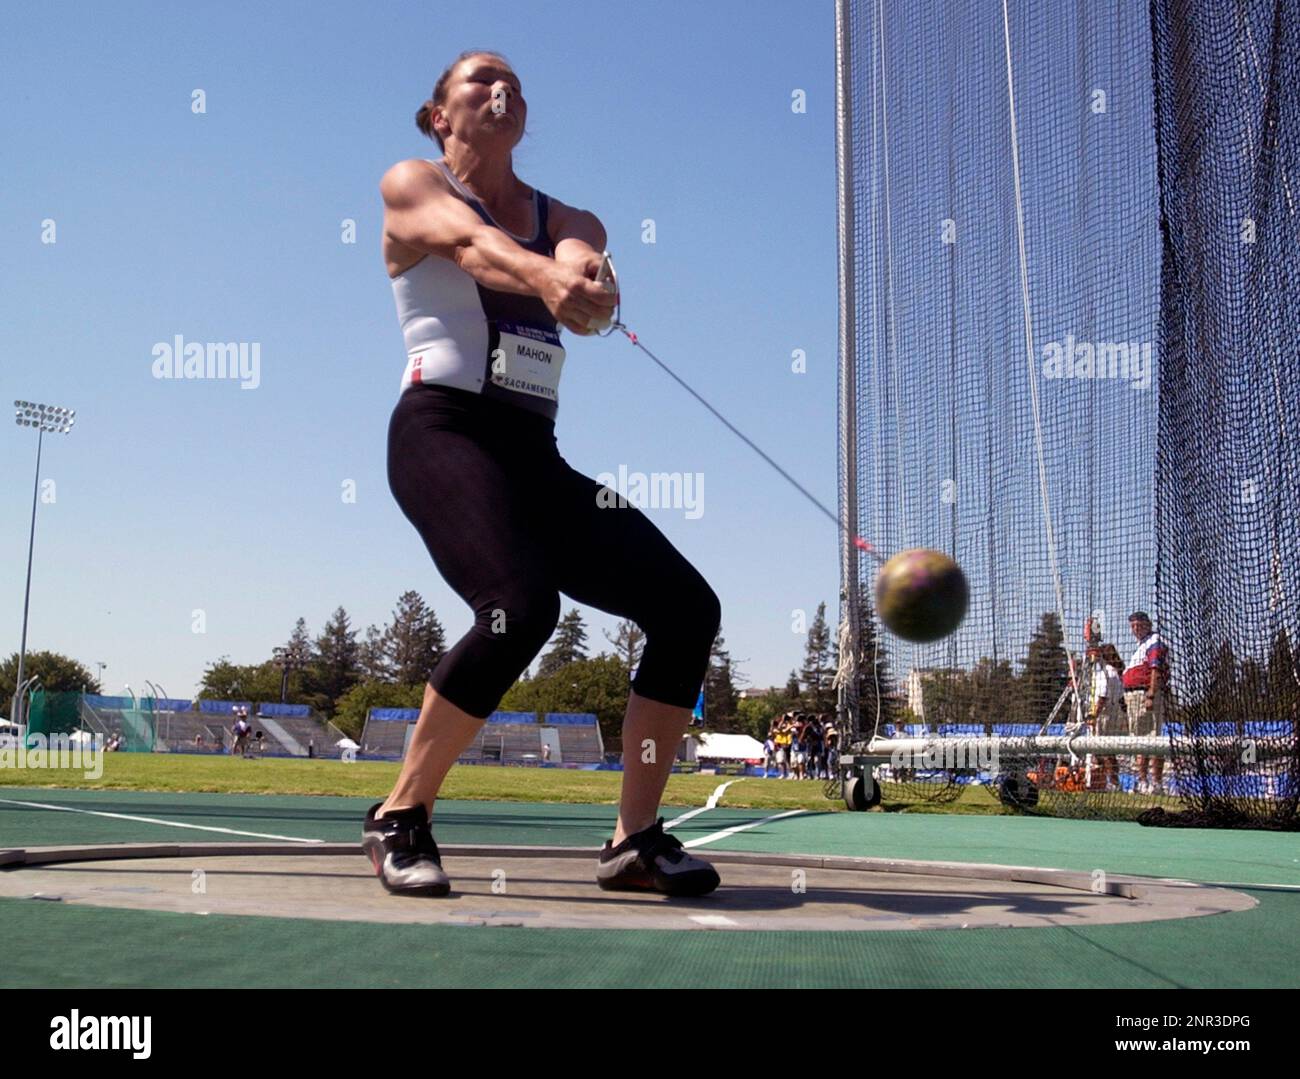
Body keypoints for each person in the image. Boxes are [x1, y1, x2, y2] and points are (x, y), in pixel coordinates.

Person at [362, 51, 722, 900]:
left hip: (535, 456)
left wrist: (589, 281)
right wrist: (548, 278)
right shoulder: (411, 182)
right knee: (518, 608)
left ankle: (633, 839)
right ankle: (399, 815)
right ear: (440, 113)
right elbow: (473, 246)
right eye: (481, 80)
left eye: (515, 84)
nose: (503, 90)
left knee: (686, 608)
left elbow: (582, 261)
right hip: (440, 433)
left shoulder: (572, 216)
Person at [1122, 611, 1170, 795]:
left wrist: (1151, 693)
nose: (1136, 629)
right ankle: (1142, 781)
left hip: (1145, 695)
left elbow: (1155, 668)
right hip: (1133, 696)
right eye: (1133, 626)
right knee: (1138, 740)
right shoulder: (1140, 646)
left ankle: (1155, 783)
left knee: (1152, 739)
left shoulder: (1154, 641)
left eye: (1139, 625)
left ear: (1148, 624)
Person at [1089, 643, 1126, 791]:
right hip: (1112, 711)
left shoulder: (1107, 673)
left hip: (1105, 714)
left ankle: (1113, 782)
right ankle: (1109, 781)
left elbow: (1102, 697)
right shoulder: (1114, 673)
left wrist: (1093, 715)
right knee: (1105, 750)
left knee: (1105, 749)